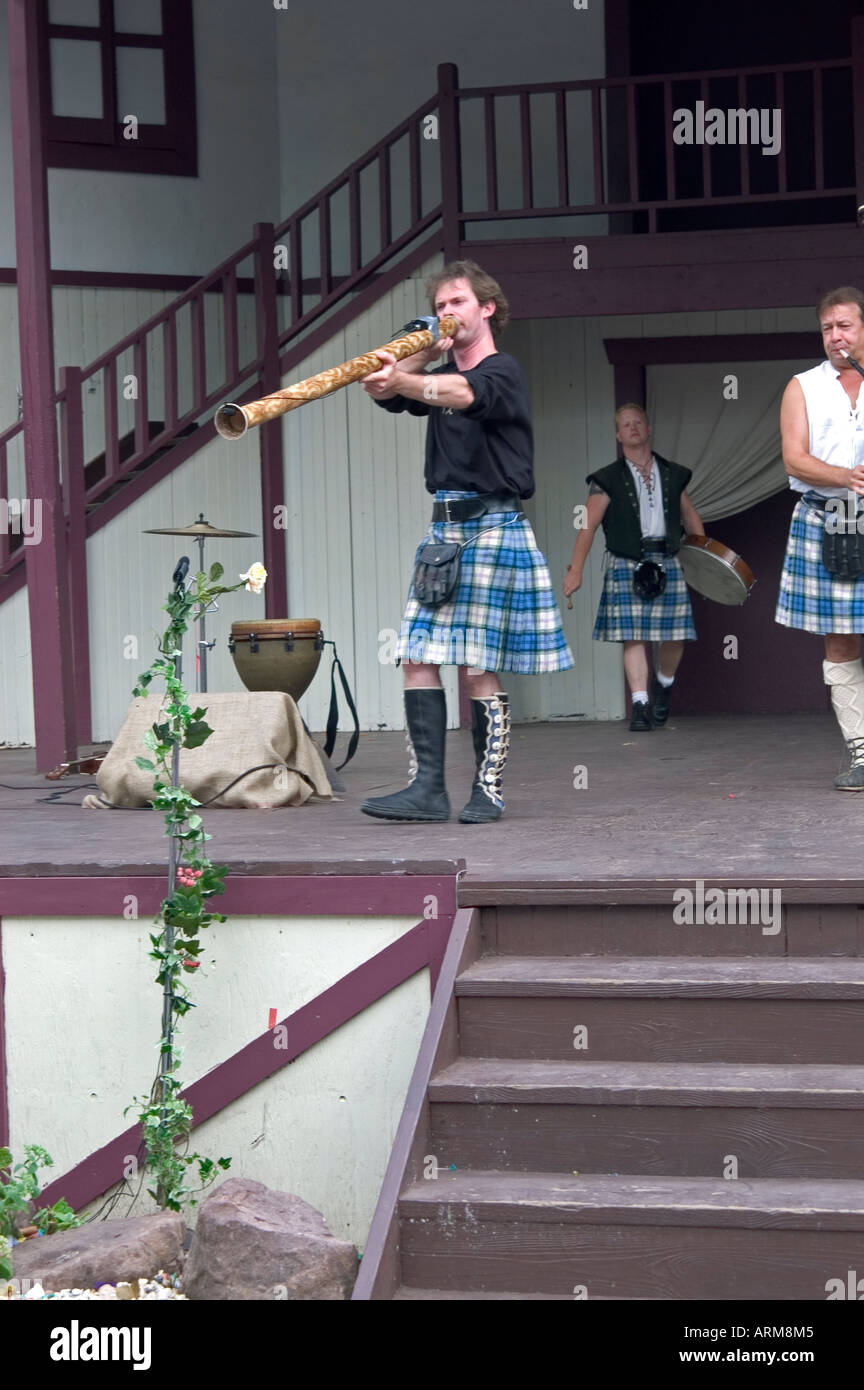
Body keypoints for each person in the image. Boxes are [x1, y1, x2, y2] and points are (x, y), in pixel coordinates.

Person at [358, 259, 573, 823]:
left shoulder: (502, 371)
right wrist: (415, 352)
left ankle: (488, 790)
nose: (448, 312)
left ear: (487, 308)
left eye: (458, 302)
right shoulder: (435, 372)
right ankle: (426, 791)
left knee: (477, 667)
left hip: (494, 524)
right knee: (416, 657)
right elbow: (388, 394)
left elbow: (461, 393)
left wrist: (403, 377)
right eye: (440, 306)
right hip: (444, 533)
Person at [563, 404, 704, 730]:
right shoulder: (607, 478)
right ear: (618, 435)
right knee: (633, 636)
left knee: (676, 635)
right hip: (626, 562)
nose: (633, 428)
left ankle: (664, 685)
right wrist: (576, 569)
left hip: (668, 559)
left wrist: (705, 562)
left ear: (648, 428)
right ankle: (640, 705)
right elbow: (587, 525)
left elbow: (690, 517)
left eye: (638, 422)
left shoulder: (672, 473)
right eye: (626, 425)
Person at [776, 286, 864, 789]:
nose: (835, 336)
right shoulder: (802, 387)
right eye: (828, 328)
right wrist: (845, 477)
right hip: (827, 517)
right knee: (841, 637)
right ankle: (861, 752)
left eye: (845, 325)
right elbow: (794, 459)